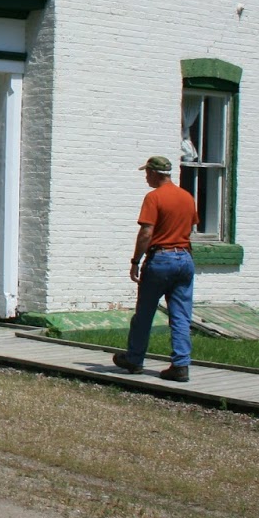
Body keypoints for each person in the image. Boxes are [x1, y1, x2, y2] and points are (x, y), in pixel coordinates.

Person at [113, 155, 198, 382]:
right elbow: (189, 228)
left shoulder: (154, 197)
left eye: (146, 173)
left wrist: (135, 261)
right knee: (181, 315)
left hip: (161, 259)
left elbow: (146, 232)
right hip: (185, 257)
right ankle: (181, 365)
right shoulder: (187, 197)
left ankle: (134, 359)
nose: (146, 178)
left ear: (153, 173)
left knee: (145, 313)